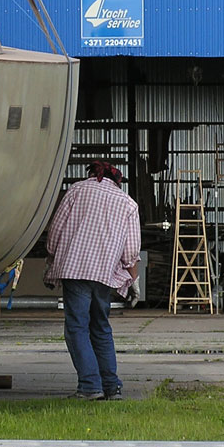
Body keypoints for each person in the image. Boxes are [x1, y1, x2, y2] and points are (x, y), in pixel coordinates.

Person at [44, 161, 140, 400]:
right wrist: (133, 280)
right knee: (101, 327)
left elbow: (55, 231)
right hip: (105, 274)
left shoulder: (76, 190)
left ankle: (89, 387)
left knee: (77, 327)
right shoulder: (127, 203)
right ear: (116, 180)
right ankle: (111, 387)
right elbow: (130, 252)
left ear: (92, 174)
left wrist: (52, 256)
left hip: (75, 269)